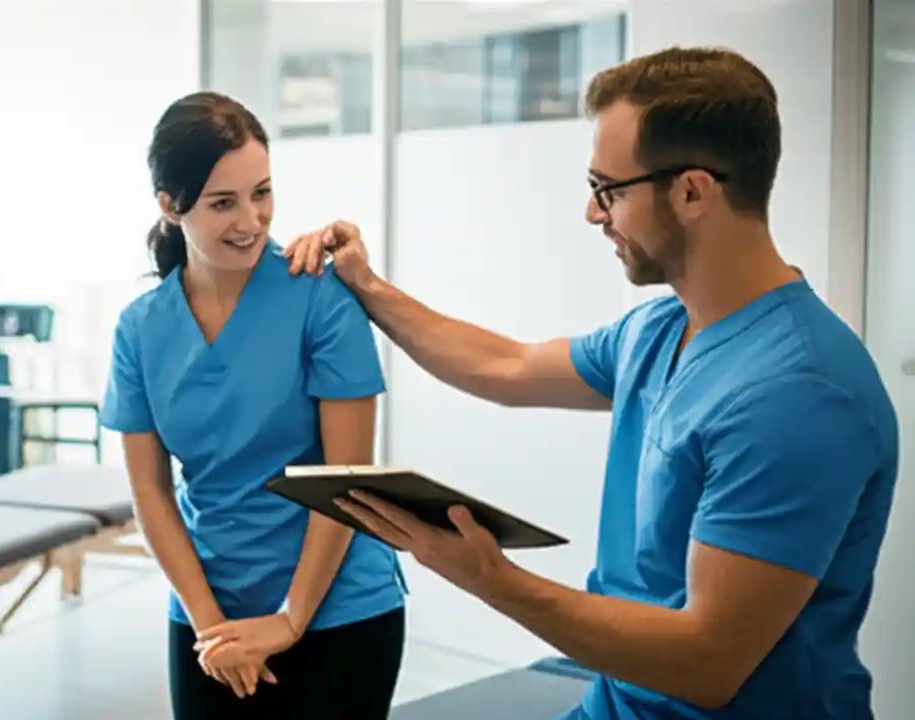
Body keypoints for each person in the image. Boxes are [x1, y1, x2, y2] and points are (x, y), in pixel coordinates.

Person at [284, 46, 899, 719]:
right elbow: (507, 366)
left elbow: (708, 662)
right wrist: (366, 287)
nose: (592, 213)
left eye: (609, 189)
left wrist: (490, 579)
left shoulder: (798, 394)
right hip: (616, 704)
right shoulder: (663, 329)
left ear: (693, 191)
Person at [99, 91, 407, 719]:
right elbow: (152, 496)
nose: (252, 219)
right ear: (169, 205)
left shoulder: (320, 297)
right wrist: (212, 629)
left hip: (339, 609)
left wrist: (291, 619)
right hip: (208, 611)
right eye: (223, 202)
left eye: (262, 193)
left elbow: (345, 479)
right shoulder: (140, 329)